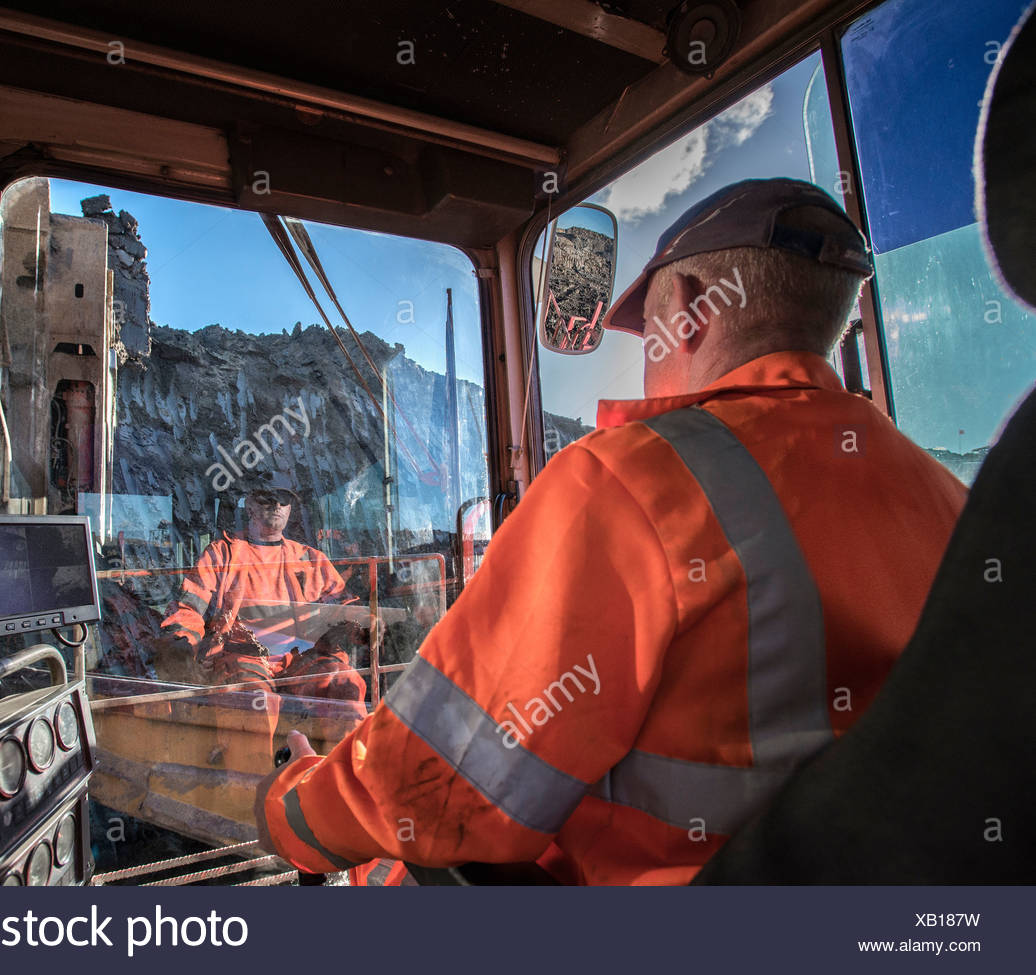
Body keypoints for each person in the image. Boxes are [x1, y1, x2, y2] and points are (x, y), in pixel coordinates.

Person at [253, 177, 969, 885]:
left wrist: (291, 813)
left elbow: (441, 784)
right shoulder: (951, 498)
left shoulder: (634, 482)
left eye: (647, 334)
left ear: (688, 312)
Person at [157, 475, 366, 710]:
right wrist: (183, 644)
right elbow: (190, 608)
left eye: (284, 499)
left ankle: (347, 748)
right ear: (251, 505)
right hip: (243, 658)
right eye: (268, 498)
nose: (277, 505)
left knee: (346, 685)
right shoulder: (221, 555)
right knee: (255, 700)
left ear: (290, 508)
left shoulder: (311, 558)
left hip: (302, 658)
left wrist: (363, 625)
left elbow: (342, 606)